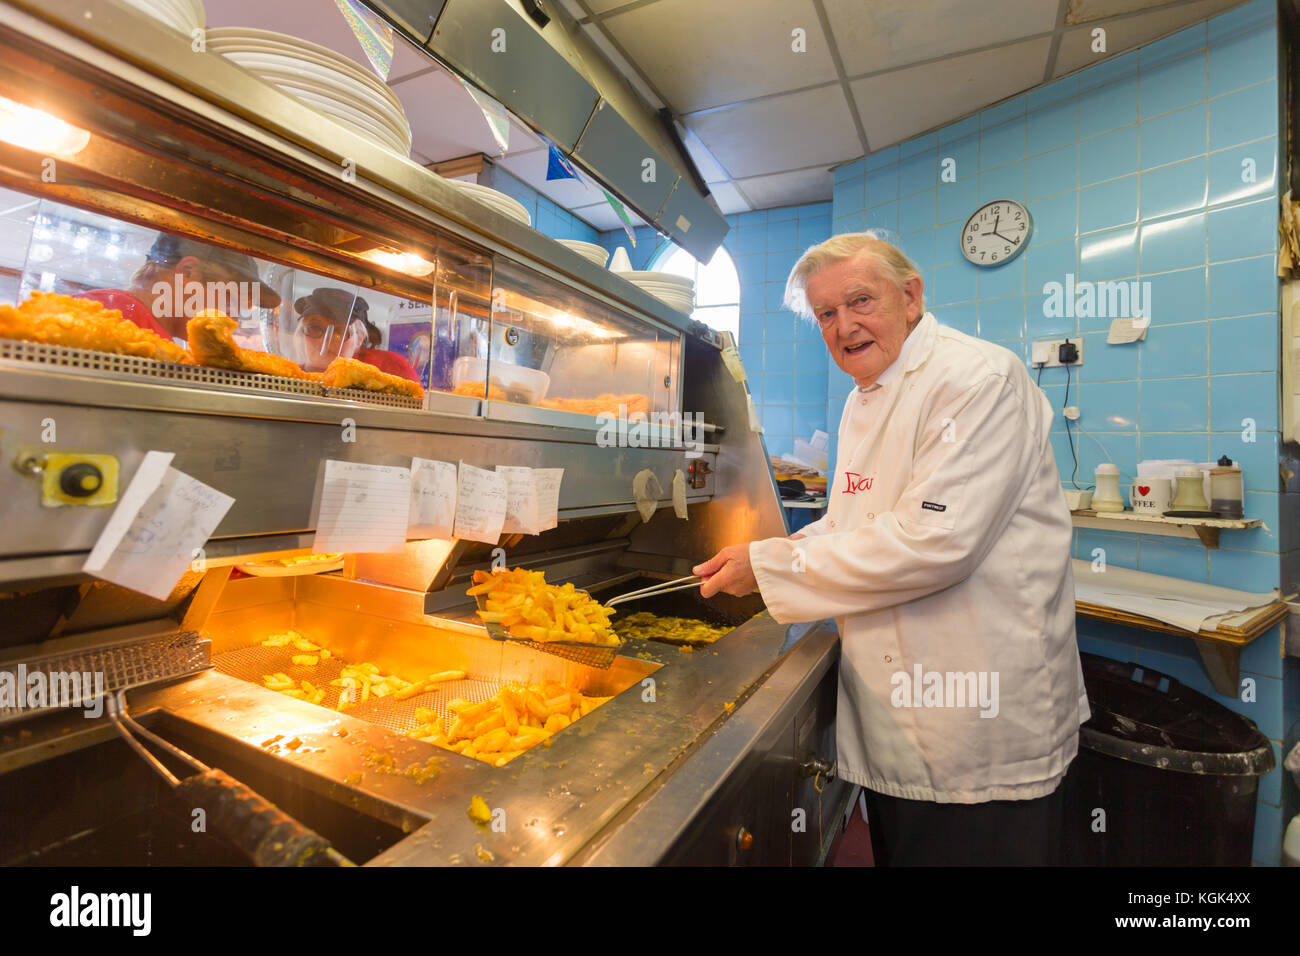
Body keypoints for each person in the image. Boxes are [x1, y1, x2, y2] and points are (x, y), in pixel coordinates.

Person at [692, 233, 1088, 866]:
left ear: (910, 297)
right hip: (904, 718)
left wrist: (771, 566)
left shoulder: (977, 378)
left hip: (975, 724)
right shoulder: (862, 398)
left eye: (859, 301)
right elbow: (855, 522)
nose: (844, 326)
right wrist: (769, 551)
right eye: (826, 314)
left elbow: (935, 542)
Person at [80, 233, 280, 344]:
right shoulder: (117, 320)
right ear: (187, 272)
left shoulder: (147, 331)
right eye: (230, 299)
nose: (234, 320)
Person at [292, 287, 420, 382]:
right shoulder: (289, 376)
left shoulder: (390, 368)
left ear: (359, 338)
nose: (325, 340)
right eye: (314, 328)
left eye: (339, 332)